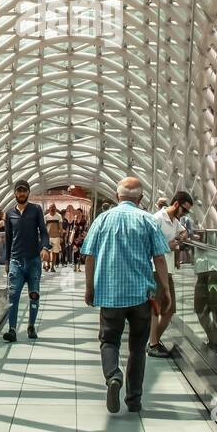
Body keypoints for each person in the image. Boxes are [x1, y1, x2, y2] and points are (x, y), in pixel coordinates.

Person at [81, 176, 171, 413]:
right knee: (137, 349)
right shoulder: (147, 220)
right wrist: (166, 290)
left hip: (110, 296)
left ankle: (113, 376)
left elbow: (89, 257)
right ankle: (134, 399)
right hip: (142, 297)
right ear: (140, 198)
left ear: (116, 195)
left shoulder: (102, 219)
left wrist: (89, 288)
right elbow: (160, 258)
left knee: (109, 341)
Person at [147, 191, 193, 358]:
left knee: (169, 309)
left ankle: (153, 341)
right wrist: (168, 246)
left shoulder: (175, 221)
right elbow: (149, 245)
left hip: (168, 270)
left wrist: (181, 237)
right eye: (184, 210)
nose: (185, 214)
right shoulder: (158, 218)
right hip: (156, 269)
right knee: (156, 307)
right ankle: (152, 344)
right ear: (175, 204)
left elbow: (184, 232)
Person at [3, 179, 49, 342]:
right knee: (13, 296)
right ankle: (12, 329)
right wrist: (7, 261)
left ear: (28, 192)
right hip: (16, 260)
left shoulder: (36, 210)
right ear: (15, 193)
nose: (21, 193)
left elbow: (43, 232)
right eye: (19, 191)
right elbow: (8, 239)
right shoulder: (9, 214)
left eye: (24, 190)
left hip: (34, 261)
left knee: (34, 295)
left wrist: (45, 247)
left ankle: (31, 326)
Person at [193, 217, 217, 356]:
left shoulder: (208, 216)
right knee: (199, 308)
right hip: (202, 269)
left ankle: (216, 343)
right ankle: (213, 339)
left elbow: (215, 233)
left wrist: (197, 234)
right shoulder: (184, 220)